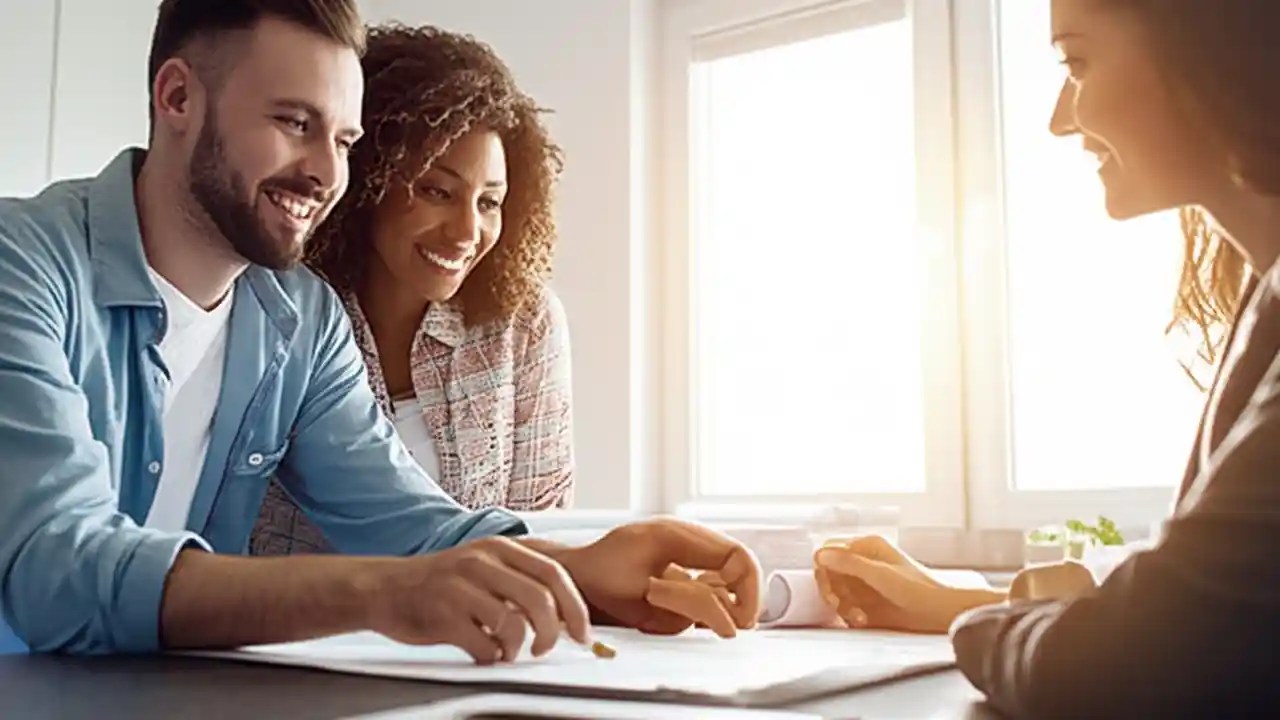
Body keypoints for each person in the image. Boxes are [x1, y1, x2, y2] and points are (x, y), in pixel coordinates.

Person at [0, 0, 760, 661]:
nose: (325, 175)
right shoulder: (22, 267)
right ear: (176, 97)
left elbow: (411, 528)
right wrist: (382, 593)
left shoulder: (298, 321)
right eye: (294, 123)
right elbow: (58, 571)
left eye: (343, 142)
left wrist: (588, 566)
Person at [814, 0, 1280, 716]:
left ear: (1208, 48)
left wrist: (979, 625)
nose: (1062, 119)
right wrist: (970, 601)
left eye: (1077, 63)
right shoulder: (1262, 302)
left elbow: (1132, 661)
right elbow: (1232, 600)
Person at [251, 24, 573, 556]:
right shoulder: (283, 311)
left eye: (489, 202)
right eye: (437, 191)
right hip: (293, 631)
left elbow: (540, 524)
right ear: (369, 176)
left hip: (471, 632)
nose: (467, 232)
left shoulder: (525, 323)